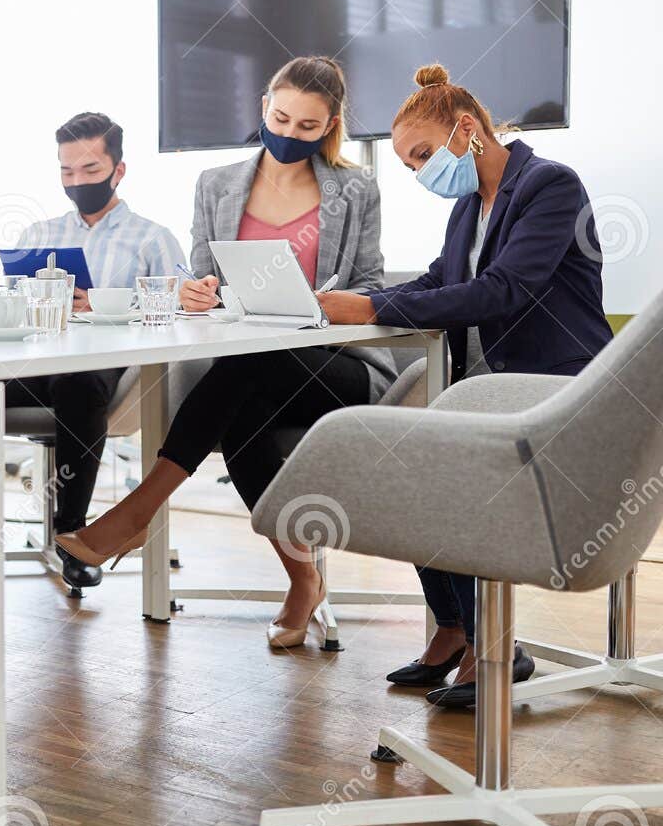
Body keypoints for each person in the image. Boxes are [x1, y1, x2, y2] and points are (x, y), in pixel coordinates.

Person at [54, 57, 394, 645]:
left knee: (251, 365)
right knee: (244, 422)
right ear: (264, 106)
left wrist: (319, 300)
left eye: (306, 128)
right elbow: (203, 280)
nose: (288, 134)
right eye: (281, 117)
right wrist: (198, 289)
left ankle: (137, 514)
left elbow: (371, 285)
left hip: (338, 365)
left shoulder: (356, 188)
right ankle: (303, 580)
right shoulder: (216, 185)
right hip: (253, 371)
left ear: (330, 125)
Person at [317, 63, 612, 706]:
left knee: (442, 476)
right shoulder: (467, 207)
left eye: (423, 154)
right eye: (408, 165)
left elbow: (506, 290)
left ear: (468, 129)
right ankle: (454, 629)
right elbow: (436, 282)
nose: (421, 172)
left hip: (554, 389)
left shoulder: (548, 186)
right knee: (410, 467)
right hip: (487, 390)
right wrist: (354, 299)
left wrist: (371, 312)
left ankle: (497, 648)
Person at [0, 111, 187, 598]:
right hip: (35, 357)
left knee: (77, 381)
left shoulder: (152, 238)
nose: (77, 182)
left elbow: (182, 311)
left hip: (104, 367)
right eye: (66, 171)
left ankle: (74, 536)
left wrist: (101, 303)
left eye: (90, 171)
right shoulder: (38, 234)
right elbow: (10, 301)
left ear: (119, 170)